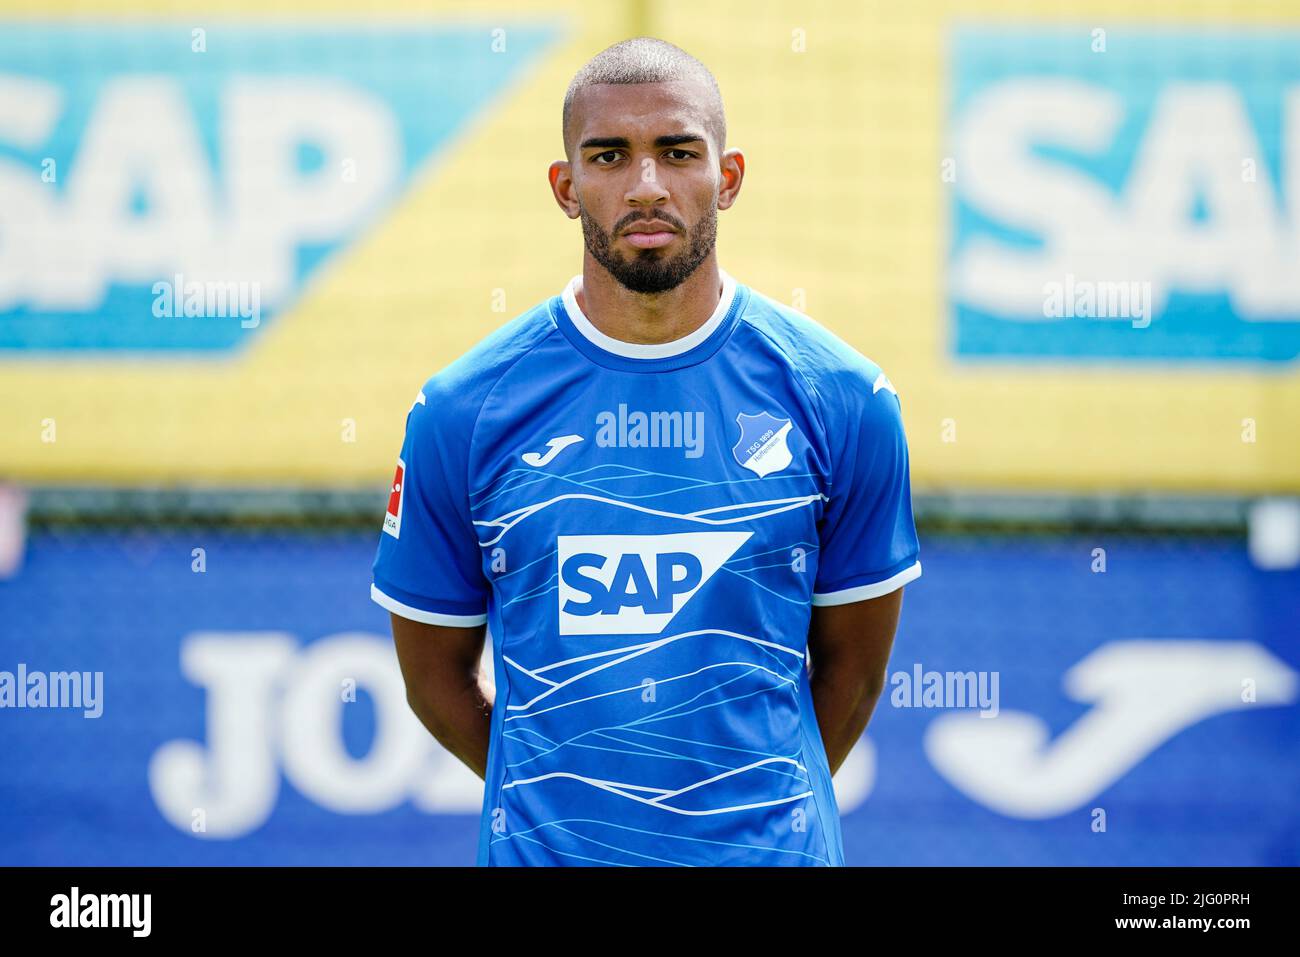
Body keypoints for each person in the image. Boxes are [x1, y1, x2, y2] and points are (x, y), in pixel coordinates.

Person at [371, 36, 921, 866]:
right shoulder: (462, 411)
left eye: (677, 151)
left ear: (727, 177)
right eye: (609, 156)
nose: (647, 185)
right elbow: (432, 681)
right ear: (566, 187)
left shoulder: (845, 398)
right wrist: (570, 811)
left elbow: (854, 676)